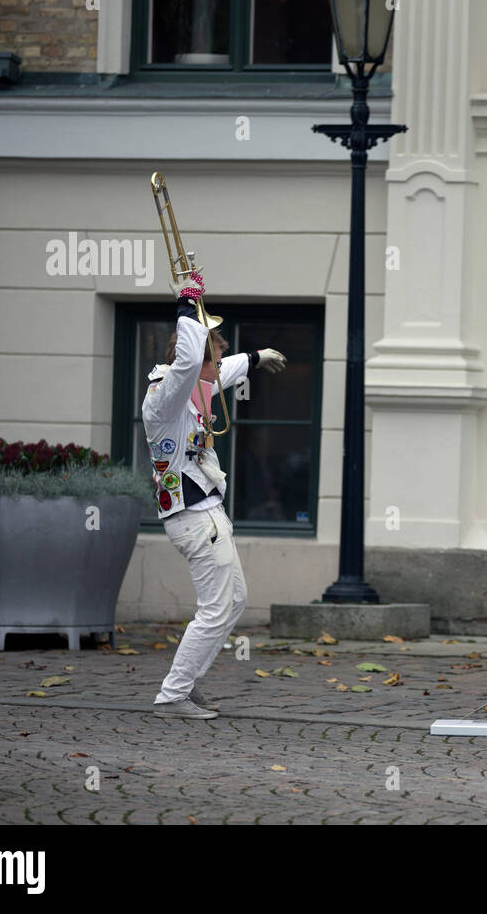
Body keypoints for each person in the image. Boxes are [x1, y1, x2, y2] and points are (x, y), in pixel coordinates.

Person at [144, 270, 287, 718]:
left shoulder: (194, 388)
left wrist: (255, 356)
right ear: (193, 360)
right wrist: (187, 307)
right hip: (194, 516)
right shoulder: (167, 396)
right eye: (213, 361)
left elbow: (214, 370)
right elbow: (192, 364)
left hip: (205, 512)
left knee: (234, 602)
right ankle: (173, 696)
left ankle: (185, 686)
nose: (217, 371)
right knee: (216, 607)